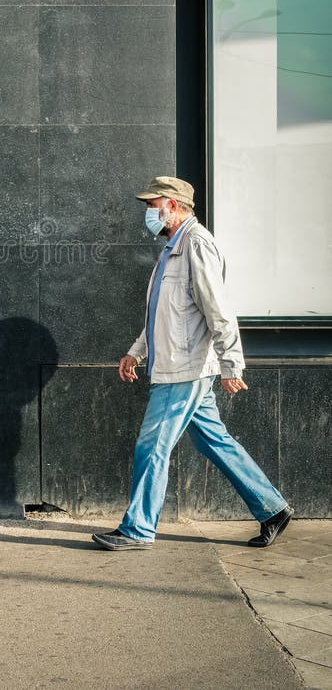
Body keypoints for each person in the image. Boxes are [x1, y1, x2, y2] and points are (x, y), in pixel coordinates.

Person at [92, 176, 293, 552]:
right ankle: (272, 508)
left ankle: (137, 529)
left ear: (172, 204)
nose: (148, 212)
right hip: (175, 364)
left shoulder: (197, 245)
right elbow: (161, 314)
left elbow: (219, 311)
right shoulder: (173, 249)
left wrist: (233, 363)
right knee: (215, 441)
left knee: (151, 447)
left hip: (184, 369)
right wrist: (137, 351)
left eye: (152, 205)